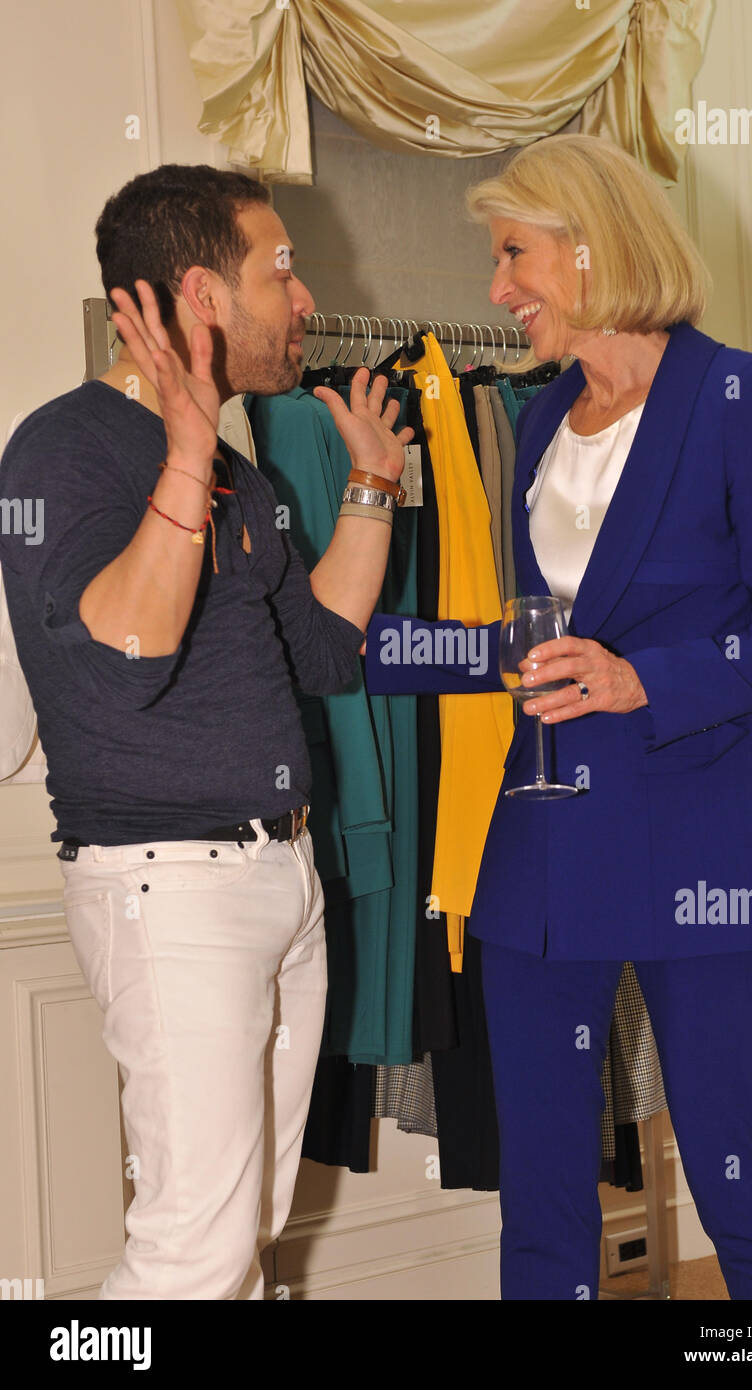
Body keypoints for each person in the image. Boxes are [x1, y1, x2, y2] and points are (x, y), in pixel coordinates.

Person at [364, 133, 752, 1300]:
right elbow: (538, 638)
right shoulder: (537, 420)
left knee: (731, 1174)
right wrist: (365, 651)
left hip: (695, 846)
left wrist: (639, 678)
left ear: (590, 248)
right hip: (538, 848)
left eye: (512, 254)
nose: (496, 288)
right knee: (540, 1187)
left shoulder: (742, 395)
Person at [0, 164, 413, 1299]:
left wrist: (372, 488)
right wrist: (184, 455)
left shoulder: (244, 470)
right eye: (279, 269)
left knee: (246, 1231)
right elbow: (122, 657)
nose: (306, 299)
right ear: (201, 293)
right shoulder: (63, 451)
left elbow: (325, 650)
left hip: (281, 871)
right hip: (168, 885)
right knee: (195, 1247)